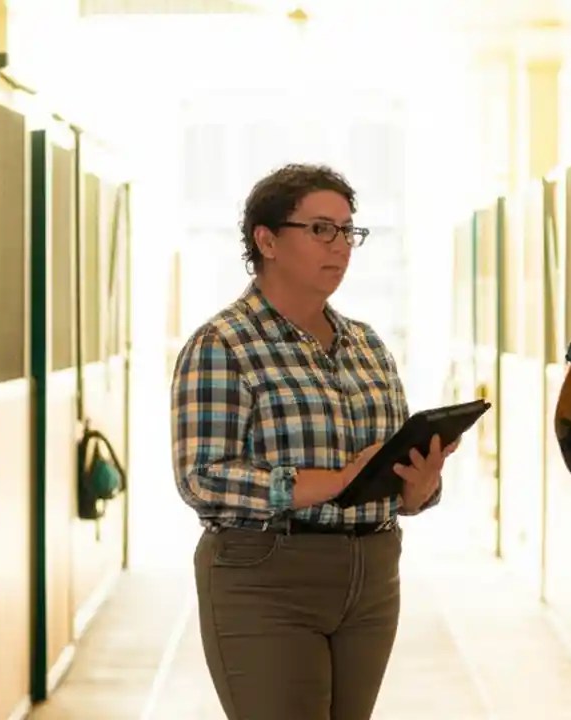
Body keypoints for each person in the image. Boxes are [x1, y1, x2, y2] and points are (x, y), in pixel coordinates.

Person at [170, 163, 456, 720]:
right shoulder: (221, 344)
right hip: (267, 575)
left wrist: (420, 486)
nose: (341, 246)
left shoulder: (368, 345)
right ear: (267, 239)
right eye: (322, 229)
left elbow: (391, 471)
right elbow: (201, 477)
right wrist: (335, 482)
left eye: (349, 231)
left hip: (371, 573)